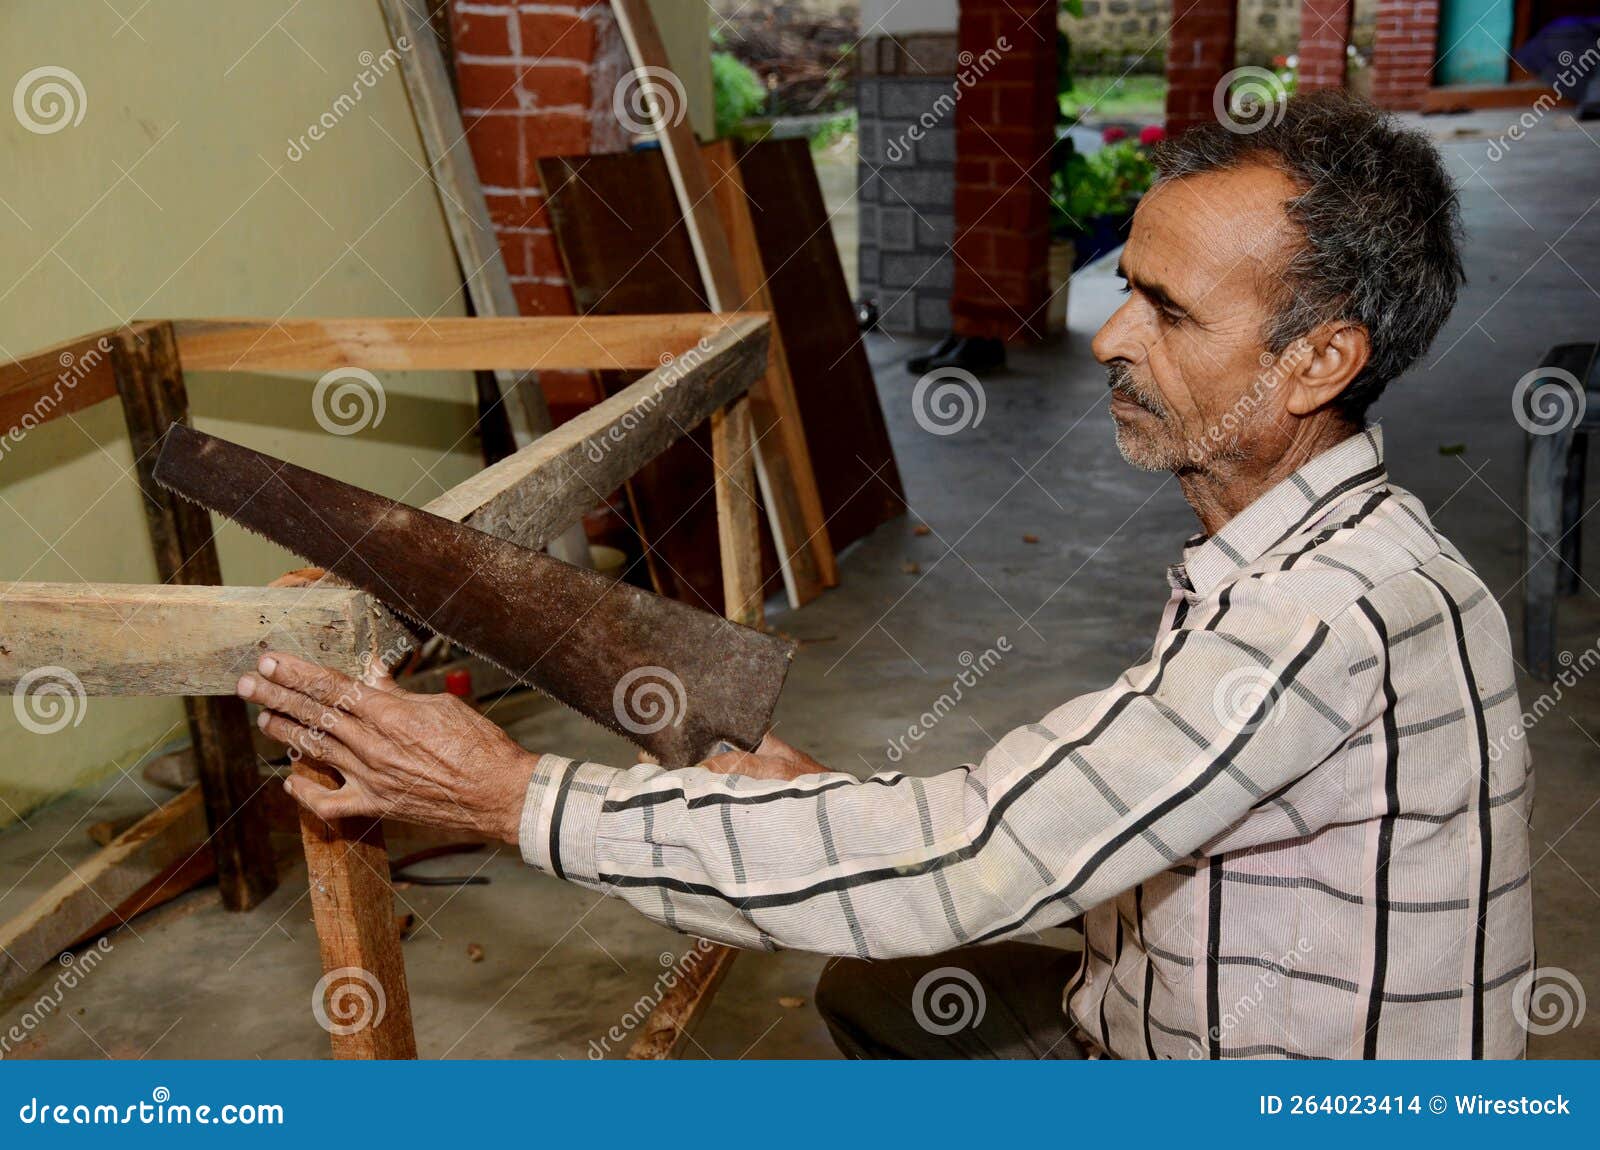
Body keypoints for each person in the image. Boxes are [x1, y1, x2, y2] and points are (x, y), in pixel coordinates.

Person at [236, 92, 1533, 1059]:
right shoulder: (1333, 547)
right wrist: (828, 803)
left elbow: (969, 857)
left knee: (906, 929)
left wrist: (510, 792)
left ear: (1318, 363)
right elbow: (1097, 813)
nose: (1111, 340)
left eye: (1169, 312)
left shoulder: (1316, 619)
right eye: (1123, 288)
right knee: (874, 981)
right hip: (1172, 1010)